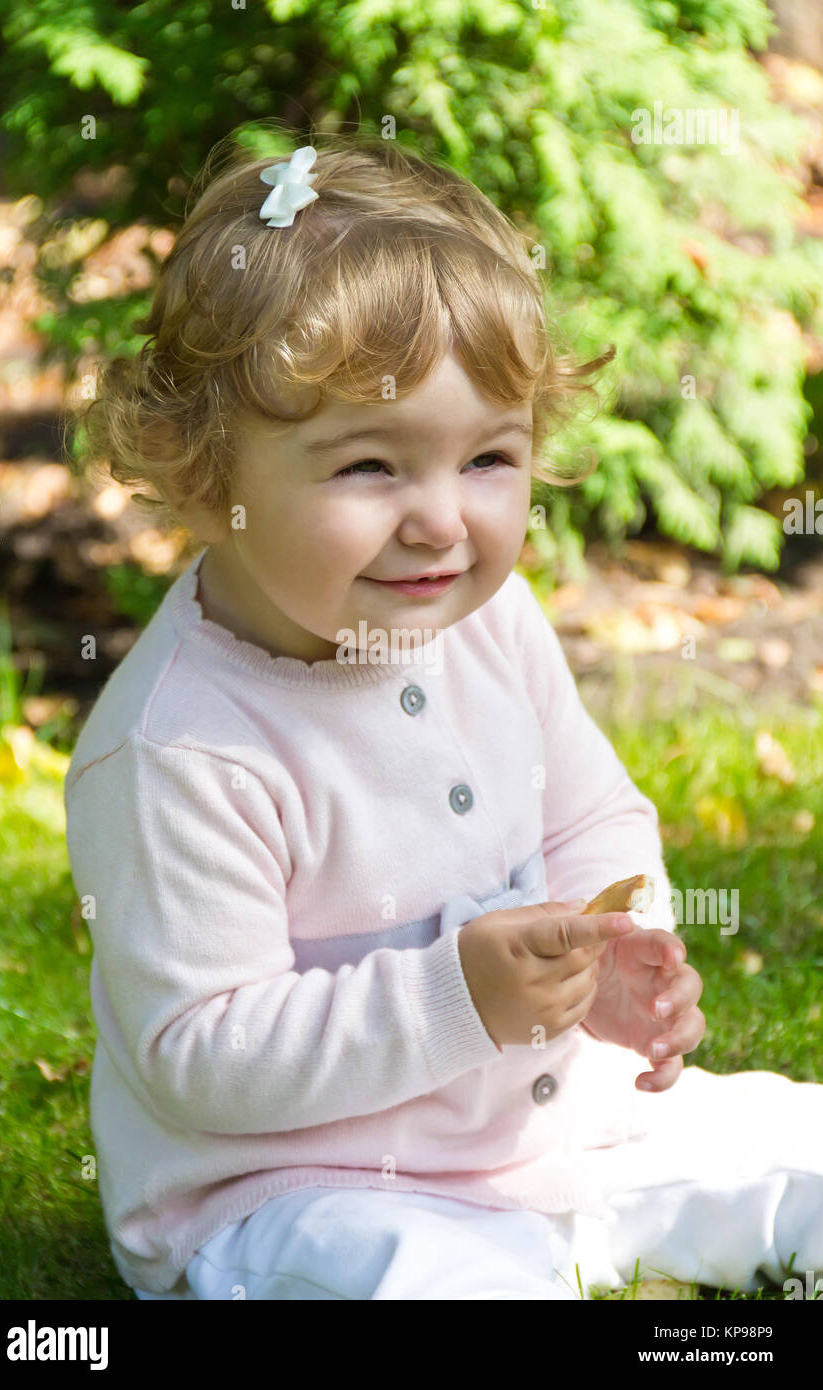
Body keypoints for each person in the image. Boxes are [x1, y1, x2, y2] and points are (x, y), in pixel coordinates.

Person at [65, 133, 823, 1300]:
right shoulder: (183, 745)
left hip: (557, 1130)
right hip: (305, 1186)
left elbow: (591, 817)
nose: (439, 520)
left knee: (794, 1151)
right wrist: (449, 998)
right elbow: (197, 1056)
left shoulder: (490, 620)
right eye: (370, 466)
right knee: (428, 1283)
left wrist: (614, 939)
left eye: (486, 458)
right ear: (205, 473)